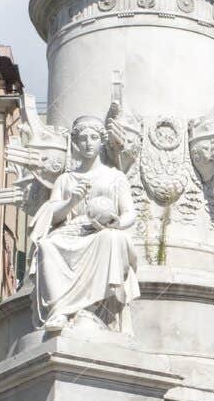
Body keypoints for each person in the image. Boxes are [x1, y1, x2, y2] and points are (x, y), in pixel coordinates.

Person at [29, 116, 139, 335]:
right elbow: (51, 214)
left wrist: (117, 223)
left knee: (111, 239)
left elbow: (130, 213)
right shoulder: (66, 179)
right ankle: (60, 310)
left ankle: (92, 308)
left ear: (101, 141)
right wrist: (71, 202)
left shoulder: (115, 177)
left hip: (103, 229)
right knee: (48, 245)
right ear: (75, 144)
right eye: (82, 138)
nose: (88, 143)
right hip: (71, 231)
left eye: (94, 137)